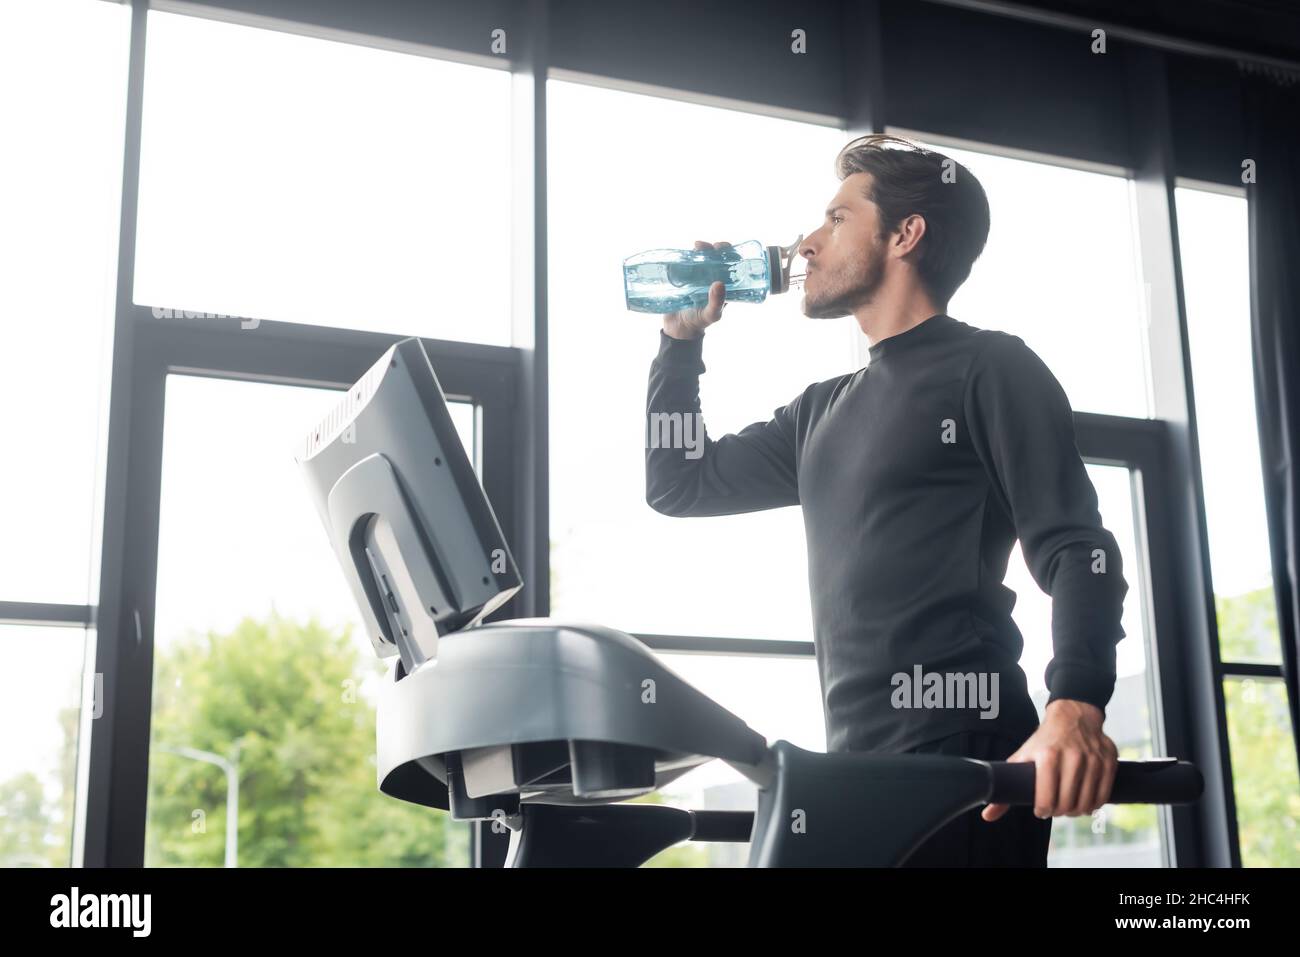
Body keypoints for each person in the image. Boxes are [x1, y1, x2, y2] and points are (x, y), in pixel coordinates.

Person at [643, 133, 1128, 867]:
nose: (806, 243)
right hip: (860, 762)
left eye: (836, 218)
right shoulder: (818, 412)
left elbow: (1077, 546)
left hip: (967, 754)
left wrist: (1076, 703)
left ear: (906, 234)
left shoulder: (990, 366)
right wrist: (679, 346)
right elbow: (679, 483)